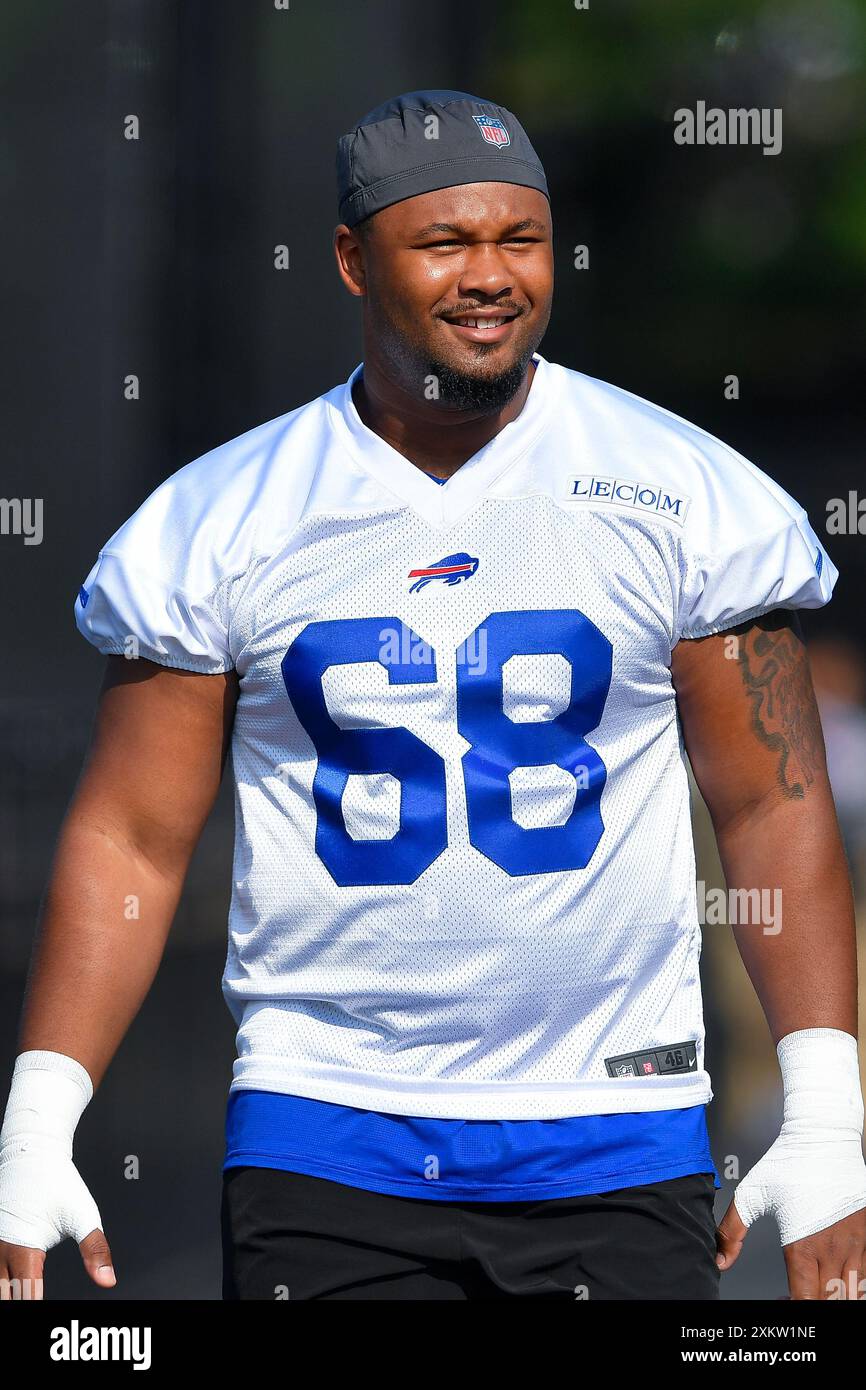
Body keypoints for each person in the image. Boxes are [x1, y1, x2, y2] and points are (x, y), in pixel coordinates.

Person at [1, 90, 864, 1302]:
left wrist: (826, 1114)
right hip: (328, 1136)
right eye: (445, 241)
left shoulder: (683, 492)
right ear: (352, 261)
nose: (489, 276)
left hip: (614, 1132)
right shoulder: (221, 519)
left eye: (518, 239)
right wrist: (41, 1115)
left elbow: (770, 807)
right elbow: (133, 838)